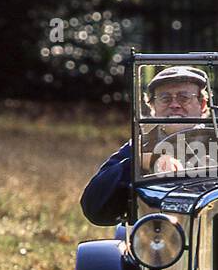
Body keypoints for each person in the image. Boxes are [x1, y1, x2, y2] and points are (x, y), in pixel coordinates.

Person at [80, 66, 210, 226]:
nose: (175, 105)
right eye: (165, 98)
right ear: (152, 106)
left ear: (202, 104)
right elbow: (94, 208)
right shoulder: (141, 146)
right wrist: (141, 161)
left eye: (184, 98)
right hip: (155, 238)